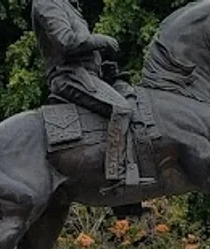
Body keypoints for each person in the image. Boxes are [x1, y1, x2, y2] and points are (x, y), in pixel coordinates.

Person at [32, 0, 151, 187]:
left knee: (132, 101)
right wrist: (101, 41)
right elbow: (66, 41)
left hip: (89, 75)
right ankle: (116, 176)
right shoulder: (47, 3)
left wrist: (104, 68)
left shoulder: (70, 6)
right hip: (69, 75)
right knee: (120, 109)